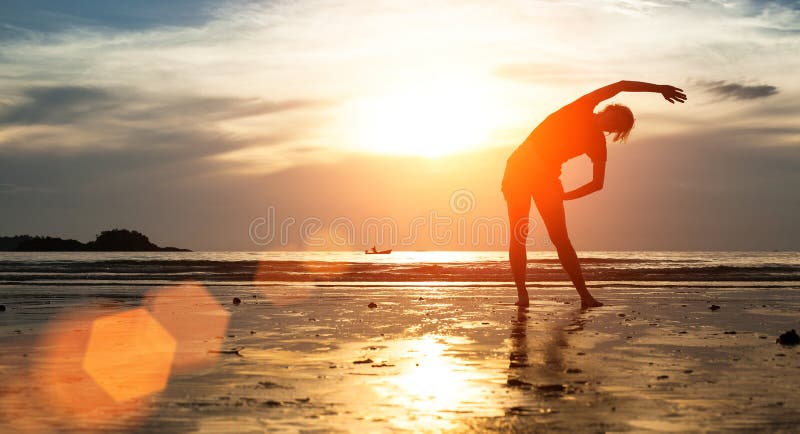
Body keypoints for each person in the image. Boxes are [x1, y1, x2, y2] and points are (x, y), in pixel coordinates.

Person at [502, 81, 687, 308]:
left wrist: (566, 196)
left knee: (561, 239)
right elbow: (621, 85)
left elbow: (597, 183)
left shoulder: (598, 143)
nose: (610, 129)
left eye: (616, 129)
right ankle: (522, 295)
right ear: (608, 110)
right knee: (520, 233)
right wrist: (659, 89)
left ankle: (584, 296)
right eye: (614, 122)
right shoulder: (581, 107)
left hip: (546, 180)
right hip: (518, 171)